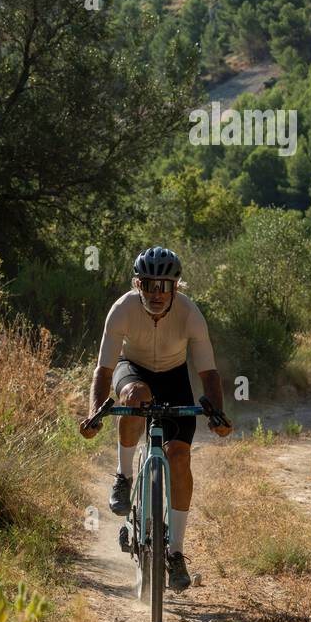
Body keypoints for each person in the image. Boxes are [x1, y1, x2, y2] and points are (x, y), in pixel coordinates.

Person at [80, 246, 230, 591]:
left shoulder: (191, 314)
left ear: (177, 287)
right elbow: (103, 372)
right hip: (131, 370)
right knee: (135, 395)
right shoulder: (122, 309)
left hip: (175, 377)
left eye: (165, 286)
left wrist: (217, 414)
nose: (157, 294)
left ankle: (175, 553)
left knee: (179, 457)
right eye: (150, 285)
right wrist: (94, 414)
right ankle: (124, 476)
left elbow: (208, 374)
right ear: (138, 284)